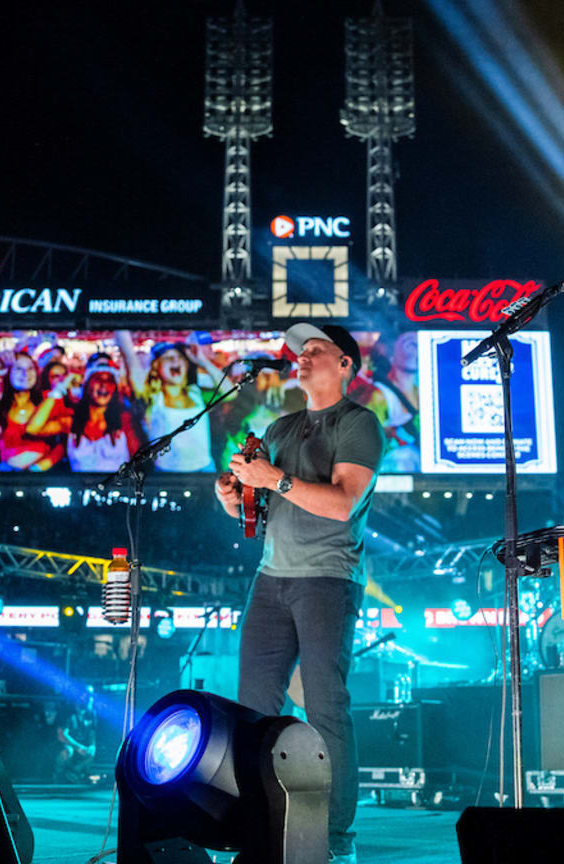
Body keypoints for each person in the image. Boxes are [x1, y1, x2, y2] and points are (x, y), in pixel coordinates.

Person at [214, 323, 382, 864]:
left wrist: (273, 480)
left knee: (326, 706)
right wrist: (233, 495)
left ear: (346, 366)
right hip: (271, 578)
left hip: (328, 578)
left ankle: (334, 836)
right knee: (252, 706)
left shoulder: (359, 423)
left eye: (316, 351)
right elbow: (254, 512)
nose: (301, 358)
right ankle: (253, 823)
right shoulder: (281, 426)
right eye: (300, 352)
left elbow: (343, 505)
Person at [117, 331, 224, 473]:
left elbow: (231, 392)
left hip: (205, 469)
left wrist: (202, 362)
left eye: (180, 357)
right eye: (168, 358)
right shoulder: (153, 397)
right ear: (156, 367)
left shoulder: (195, 392)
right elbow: (129, 355)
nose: (175, 361)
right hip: (168, 474)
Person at [68, 356, 142, 472]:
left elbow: (139, 459)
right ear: (87, 386)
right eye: (98, 379)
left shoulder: (124, 420)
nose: (104, 385)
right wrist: (58, 390)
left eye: (109, 381)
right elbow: (34, 428)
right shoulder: (71, 419)